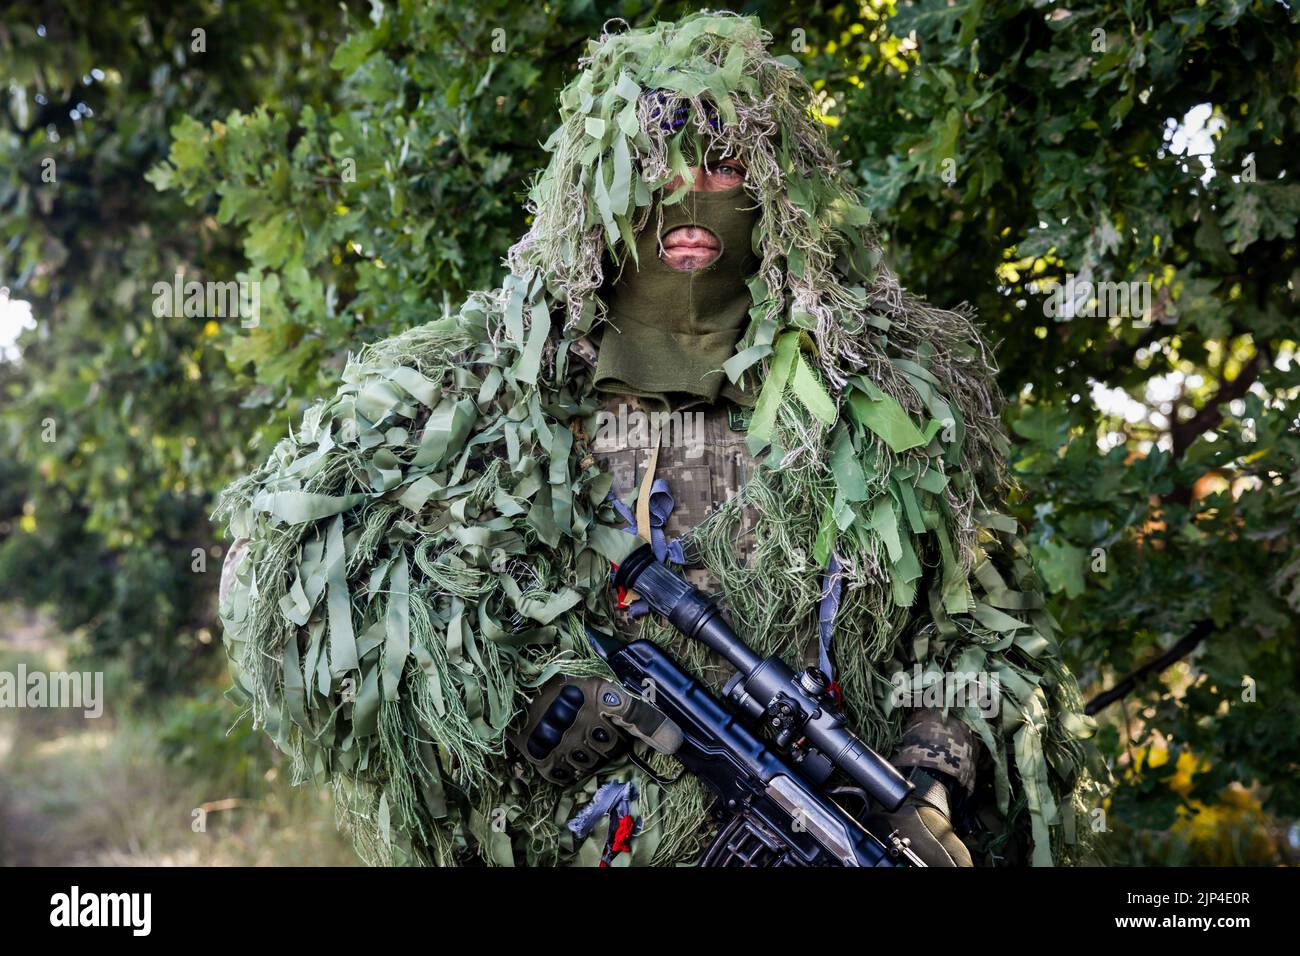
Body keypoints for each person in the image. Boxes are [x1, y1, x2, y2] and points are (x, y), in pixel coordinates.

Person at [217, 12, 1102, 867]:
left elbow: (979, 626)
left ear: (774, 191)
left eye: (724, 164)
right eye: (656, 164)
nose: (691, 195)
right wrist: (518, 686)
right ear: (598, 186)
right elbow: (281, 568)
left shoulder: (877, 399)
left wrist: (926, 786)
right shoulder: (490, 386)